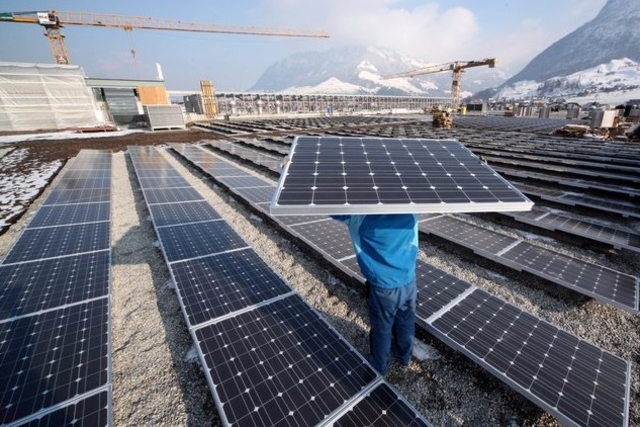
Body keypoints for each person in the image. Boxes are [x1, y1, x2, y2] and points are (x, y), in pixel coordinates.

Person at [331, 213, 419, 375]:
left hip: (382, 288)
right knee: (406, 322)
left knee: (382, 329)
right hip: (409, 281)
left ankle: (380, 366)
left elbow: (330, 206)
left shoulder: (358, 217)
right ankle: (404, 357)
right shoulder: (411, 211)